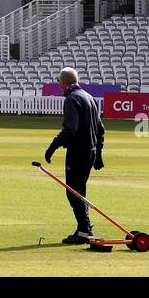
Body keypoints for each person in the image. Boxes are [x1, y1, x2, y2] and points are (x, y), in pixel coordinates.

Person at [44, 67, 105, 243]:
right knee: (79, 190)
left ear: (63, 82)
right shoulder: (89, 97)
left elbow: (70, 129)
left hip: (78, 152)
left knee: (73, 192)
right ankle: (84, 229)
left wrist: (53, 146)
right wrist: (99, 153)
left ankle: (84, 230)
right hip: (90, 151)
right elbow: (100, 129)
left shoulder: (71, 99)